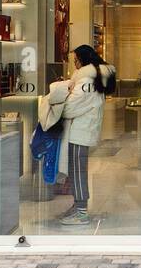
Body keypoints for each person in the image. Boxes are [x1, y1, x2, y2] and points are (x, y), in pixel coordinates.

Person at [38, 44, 116, 227]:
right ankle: (78, 206)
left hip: (80, 132)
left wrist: (57, 98)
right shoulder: (92, 78)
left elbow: (70, 107)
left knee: (78, 171)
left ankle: (81, 212)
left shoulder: (86, 81)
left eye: (76, 60)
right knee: (76, 170)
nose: (74, 65)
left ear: (82, 60)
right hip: (82, 130)